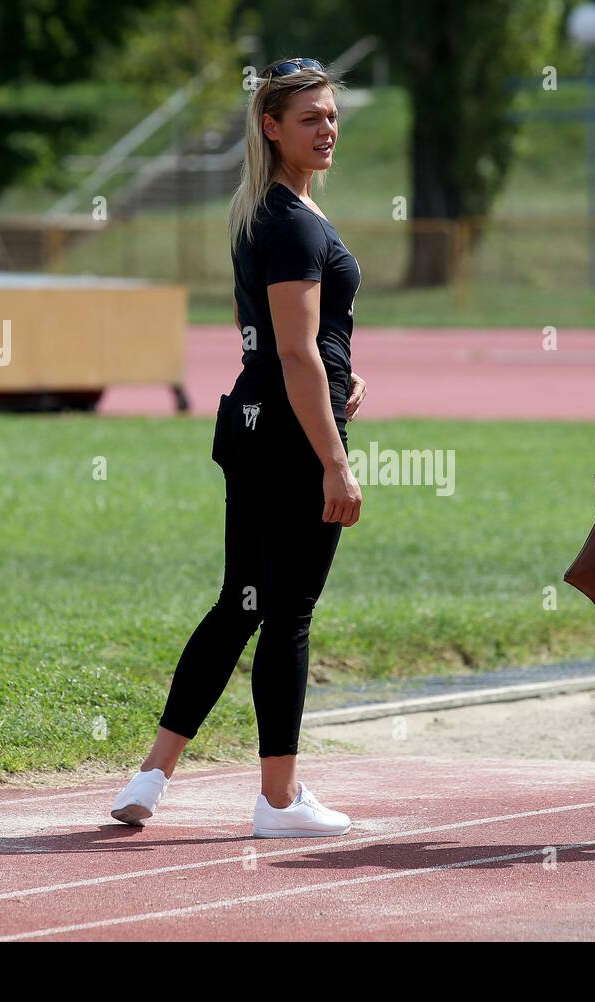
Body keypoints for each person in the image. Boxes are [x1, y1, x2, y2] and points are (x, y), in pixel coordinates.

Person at [110, 58, 366, 838]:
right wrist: (335, 457)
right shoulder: (291, 219)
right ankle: (280, 801)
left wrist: (337, 375)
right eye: (309, 118)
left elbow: (265, 335)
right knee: (287, 613)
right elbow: (294, 353)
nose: (326, 128)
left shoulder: (256, 211)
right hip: (290, 433)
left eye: (330, 114)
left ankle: (150, 776)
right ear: (270, 126)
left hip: (253, 419)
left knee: (241, 603)